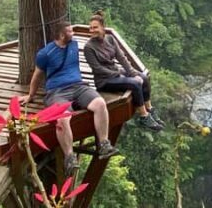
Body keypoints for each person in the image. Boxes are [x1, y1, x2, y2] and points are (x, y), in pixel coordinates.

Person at [21, 20, 118, 172]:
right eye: (70, 31)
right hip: (57, 91)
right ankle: (69, 157)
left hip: (79, 86)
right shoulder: (45, 53)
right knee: (63, 117)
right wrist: (30, 95)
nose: (73, 34)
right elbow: (37, 75)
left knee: (100, 104)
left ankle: (104, 143)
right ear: (61, 35)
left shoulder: (73, 44)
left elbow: (97, 39)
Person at [84, 12, 164, 132]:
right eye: (90, 28)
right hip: (104, 81)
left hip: (115, 72)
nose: (92, 30)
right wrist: (119, 75)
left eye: (95, 27)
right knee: (135, 83)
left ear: (103, 27)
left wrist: (132, 73)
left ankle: (149, 109)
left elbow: (122, 58)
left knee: (143, 78)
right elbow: (97, 69)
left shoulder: (110, 39)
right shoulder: (89, 47)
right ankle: (144, 116)